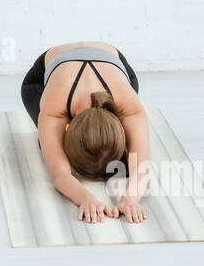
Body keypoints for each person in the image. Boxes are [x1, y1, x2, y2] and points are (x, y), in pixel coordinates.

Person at [19, 40, 150, 223]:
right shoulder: (53, 106)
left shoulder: (129, 104)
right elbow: (60, 175)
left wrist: (130, 199)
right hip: (40, 81)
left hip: (111, 62)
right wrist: (85, 198)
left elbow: (142, 169)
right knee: (48, 143)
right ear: (68, 127)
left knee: (129, 136)